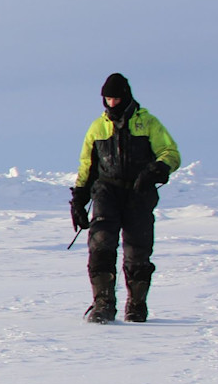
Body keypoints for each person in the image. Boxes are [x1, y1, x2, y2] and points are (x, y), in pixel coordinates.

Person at [69, 73, 181, 323]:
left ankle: (137, 305)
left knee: (138, 251)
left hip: (138, 194)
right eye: (108, 99)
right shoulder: (97, 127)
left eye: (116, 98)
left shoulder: (148, 123)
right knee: (100, 246)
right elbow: (87, 164)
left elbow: (170, 153)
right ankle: (103, 304)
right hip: (106, 192)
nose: (112, 103)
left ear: (126, 97)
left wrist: (156, 170)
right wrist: (78, 198)